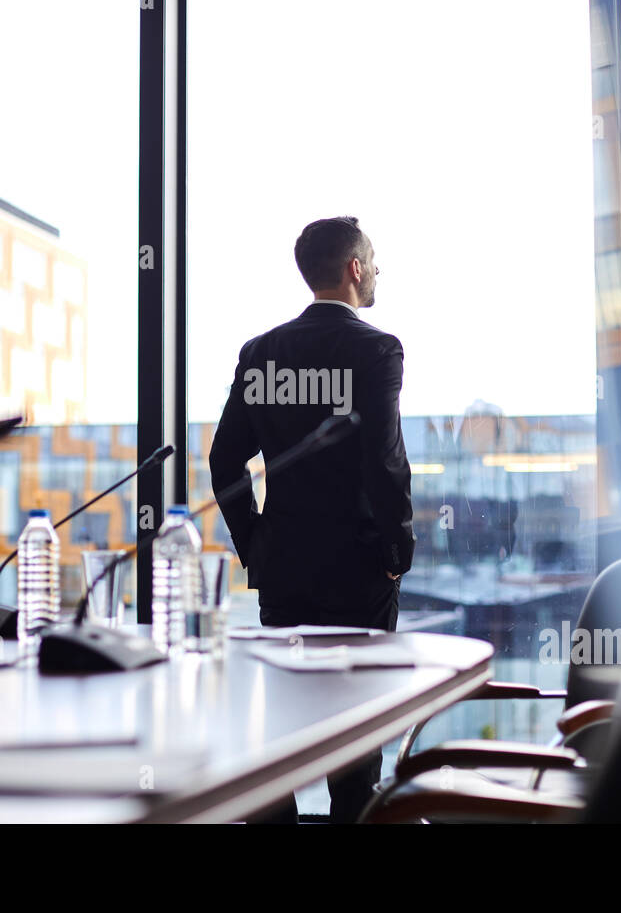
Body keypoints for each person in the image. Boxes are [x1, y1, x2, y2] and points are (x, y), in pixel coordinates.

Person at [209, 215, 414, 823]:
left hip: (286, 573)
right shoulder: (376, 349)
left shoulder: (262, 352)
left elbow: (225, 459)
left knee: (283, 733)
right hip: (359, 573)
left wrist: (257, 545)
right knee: (355, 739)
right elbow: (385, 461)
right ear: (354, 268)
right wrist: (396, 555)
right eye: (373, 260)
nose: (379, 270)